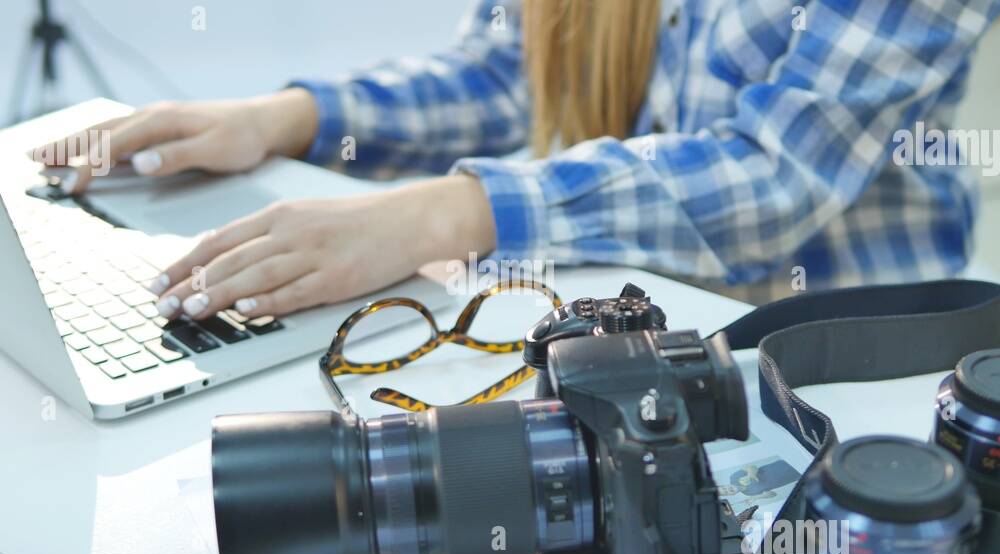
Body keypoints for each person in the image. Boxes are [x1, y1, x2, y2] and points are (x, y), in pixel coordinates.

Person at [29, 0, 1000, 319]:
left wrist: (445, 213)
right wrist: (285, 120)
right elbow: (517, 66)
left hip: (840, 356)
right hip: (634, 302)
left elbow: (771, 177)